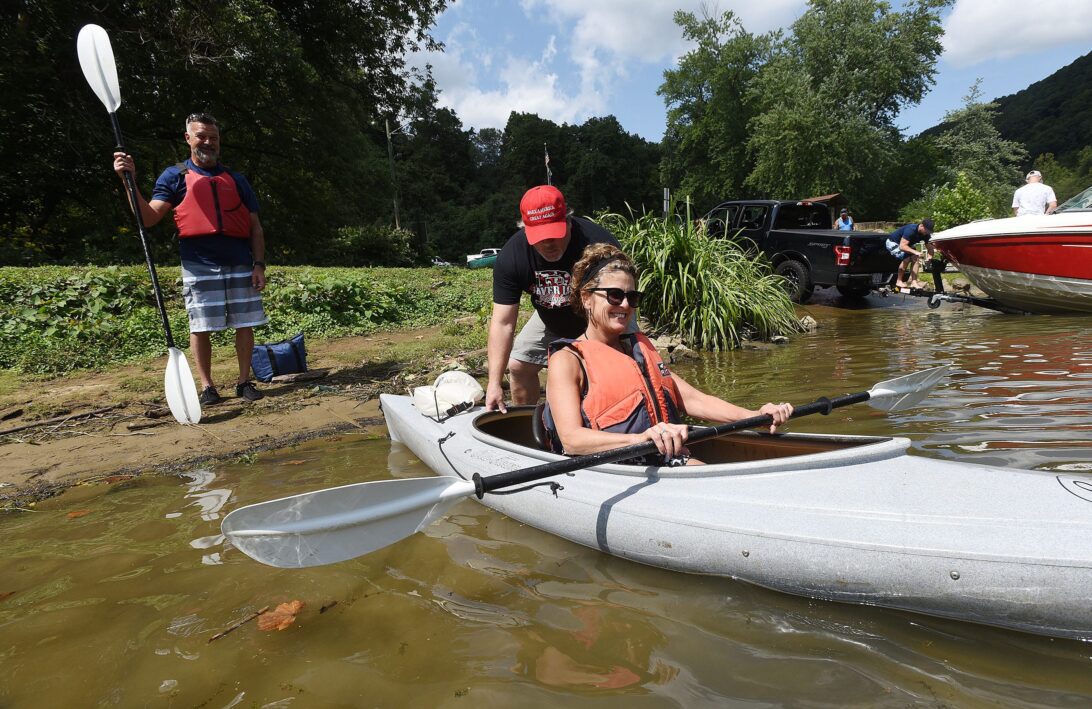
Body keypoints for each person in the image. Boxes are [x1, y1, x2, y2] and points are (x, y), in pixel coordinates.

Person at [542, 244, 792, 466]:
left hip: (664, 459)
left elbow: (695, 400)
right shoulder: (568, 360)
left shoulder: (638, 352)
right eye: (615, 295)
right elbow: (572, 440)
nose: (625, 305)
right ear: (586, 298)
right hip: (614, 469)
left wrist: (756, 416)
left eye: (632, 297)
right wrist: (642, 439)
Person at [113, 112, 267, 405]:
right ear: (188, 139)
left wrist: (258, 264)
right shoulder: (175, 176)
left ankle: (244, 382)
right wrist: (127, 180)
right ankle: (208, 387)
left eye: (213, 137)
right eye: (201, 136)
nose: (208, 142)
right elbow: (148, 218)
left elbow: (255, 227)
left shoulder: (236, 179)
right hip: (198, 263)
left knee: (245, 323)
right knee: (200, 326)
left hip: (239, 260)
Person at [486, 185, 624, 412]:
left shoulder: (600, 246)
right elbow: (503, 323)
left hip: (602, 313)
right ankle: (526, 424)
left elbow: (617, 304)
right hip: (550, 314)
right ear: (525, 228)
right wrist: (493, 384)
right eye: (540, 236)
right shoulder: (512, 256)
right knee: (519, 365)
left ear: (568, 220)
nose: (548, 243)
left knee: (614, 370)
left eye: (554, 234)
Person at [886, 219, 935, 289]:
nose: (927, 232)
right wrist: (915, 252)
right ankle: (899, 281)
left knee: (916, 258)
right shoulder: (911, 230)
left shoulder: (926, 234)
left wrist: (929, 258)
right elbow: (902, 246)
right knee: (907, 258)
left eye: (929, 231)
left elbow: (930, 249)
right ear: (921, 226)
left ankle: (914, 282)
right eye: (926, 230)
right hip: (893, 243)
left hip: (907, 245)